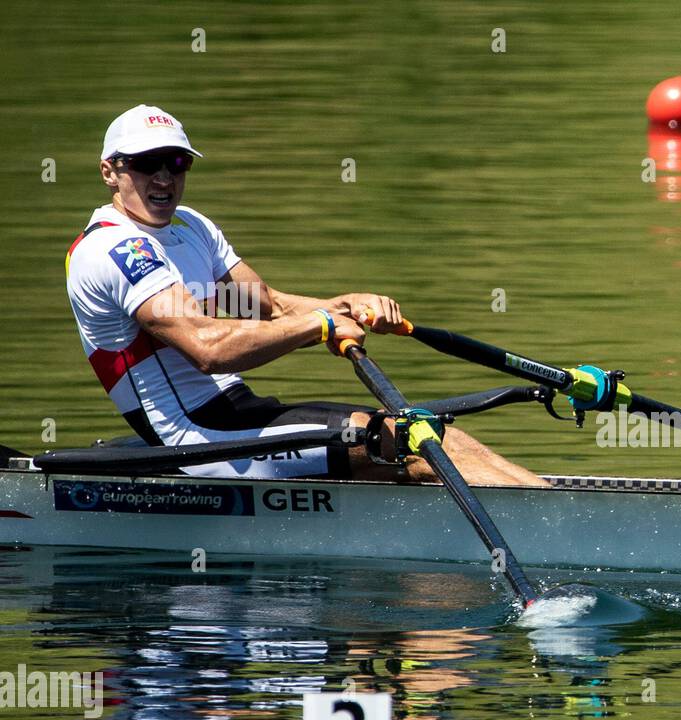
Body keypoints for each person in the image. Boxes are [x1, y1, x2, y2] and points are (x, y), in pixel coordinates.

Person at [65, 104, 545, 486]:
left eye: (177, 162)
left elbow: (266, 304)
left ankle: (546, 513)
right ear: (110, 171)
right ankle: (559, 537)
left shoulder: (192, 227)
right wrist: (319, 326)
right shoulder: (114, 249)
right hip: (198, 441)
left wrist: (344, 305)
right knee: (408, 443)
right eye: (148, 164)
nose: (165, 178)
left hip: (242, 413)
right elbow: (208, 350)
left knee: (429, 435)